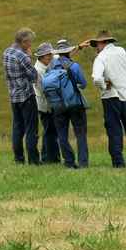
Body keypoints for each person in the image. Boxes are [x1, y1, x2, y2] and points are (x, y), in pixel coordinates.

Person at [83, 30, 126, 170]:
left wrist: (104, 86)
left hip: (110, 97)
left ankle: (118, 163)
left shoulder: (101, 57)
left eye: (97, 45)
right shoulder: (122, 51)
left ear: (102, 43)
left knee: (114, 130)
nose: (96, 48)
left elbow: (96, 78)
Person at [47, 39, 90, 169]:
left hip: (57, 105)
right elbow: (83, 84)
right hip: (74, 103)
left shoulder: (51, 66)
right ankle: (83, 163)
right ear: (68, 51)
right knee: (80, 133)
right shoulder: (74, 66)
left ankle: (69, 161)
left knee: (62, 135)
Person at [2, 27, 40, 165]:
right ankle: (33, 160)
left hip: (13, 96)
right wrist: (29, 57)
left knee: (17, 128)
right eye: (29, 42)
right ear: (24, 42)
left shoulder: (7, 52)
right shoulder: (22, 56)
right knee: (31, 129)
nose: (30, 45)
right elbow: (34, 76)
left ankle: (19, 159)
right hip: (26, 96)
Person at [33, 42, 60, 165]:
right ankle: (50, 158)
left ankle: (48, 157)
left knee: (50, 130)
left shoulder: (48, 62)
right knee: (49, 131)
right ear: (41, 56)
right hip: (45, 105)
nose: (51, 57)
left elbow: (61, 55)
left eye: (50, 54)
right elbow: (41, 90)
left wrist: (79, 47)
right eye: (48, 55)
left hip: (52, 103)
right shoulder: (38, 71)